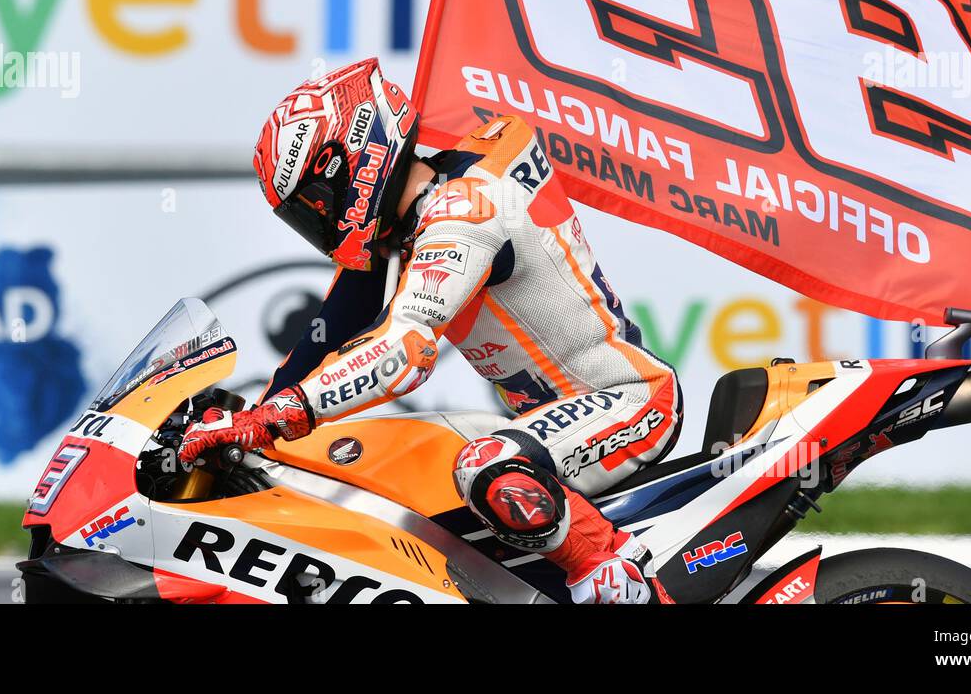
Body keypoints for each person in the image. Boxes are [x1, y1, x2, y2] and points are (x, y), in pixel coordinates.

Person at [180, 58, 682, 604]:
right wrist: (247, 422)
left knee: (484, 464)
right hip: (550, 422)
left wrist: (278, 417)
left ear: (355, 158)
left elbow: (405, 347)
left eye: (315, 201)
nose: (318, 220)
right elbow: (327, 334)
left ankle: (625, 587)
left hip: (628, 400)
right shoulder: (410, 221)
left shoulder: (464, 208)